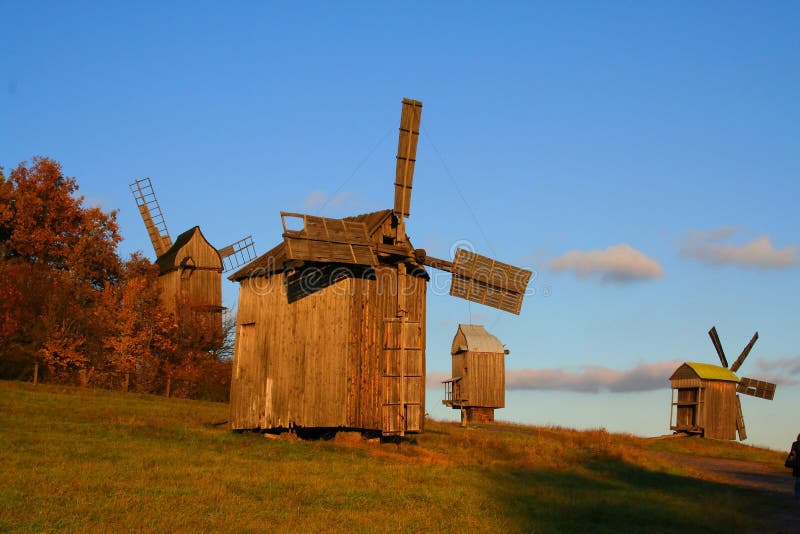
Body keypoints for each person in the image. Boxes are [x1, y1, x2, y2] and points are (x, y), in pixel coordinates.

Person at [790, 433, 800, 499]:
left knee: (798, 479)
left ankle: (797, 493)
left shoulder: (795, 443)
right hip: (797, 464)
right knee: (798, 480)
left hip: (796, 464)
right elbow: (793, 453)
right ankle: (797, 494)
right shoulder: (795, 444)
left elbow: (792, 453)